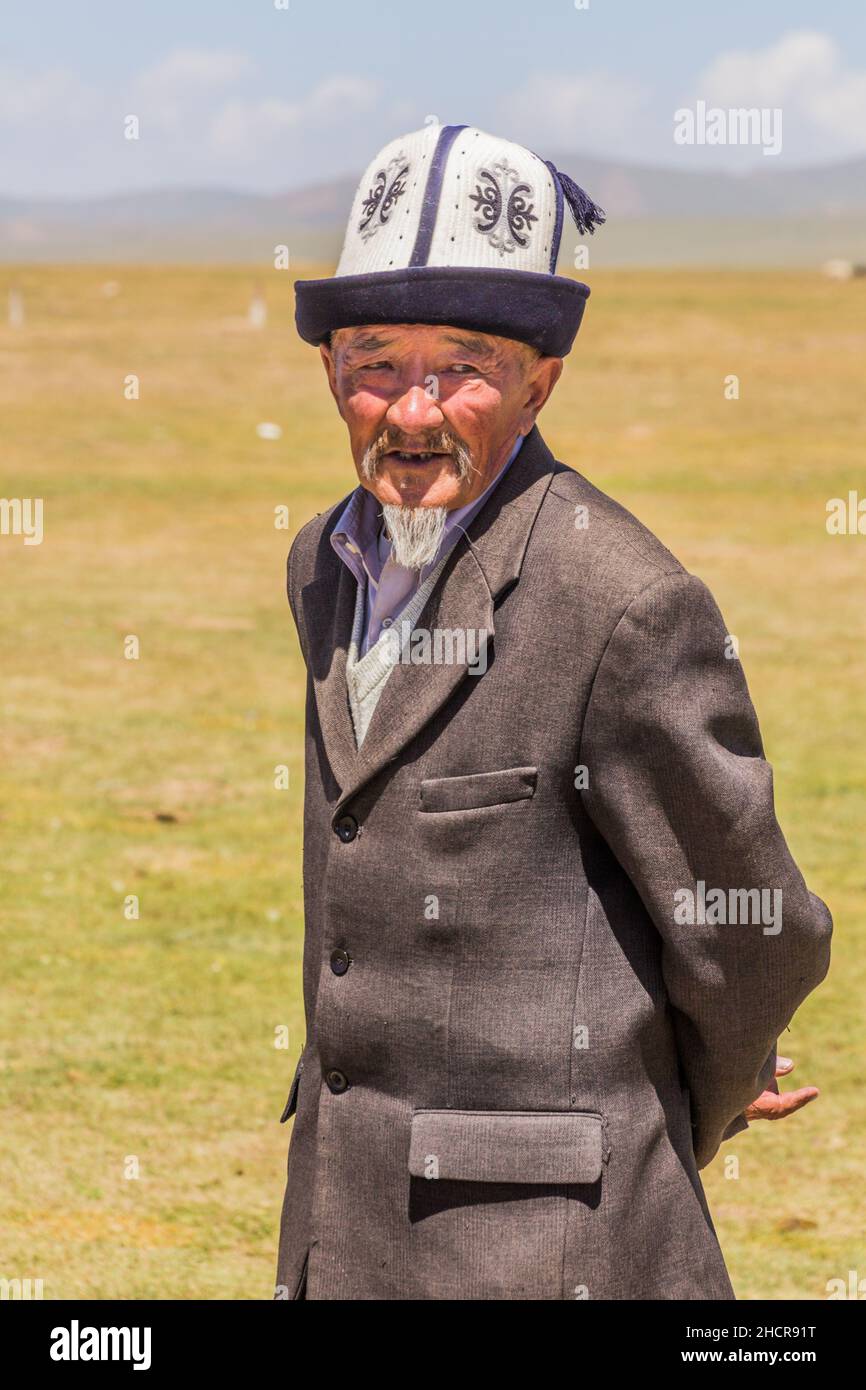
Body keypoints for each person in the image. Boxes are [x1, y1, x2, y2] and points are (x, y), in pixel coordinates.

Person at [274, 124, 832, 1301]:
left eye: (464, 364)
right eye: (374, 360)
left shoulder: (622, 601)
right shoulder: (321, 565)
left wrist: (671, 1113)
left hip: (554, 1254)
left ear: (541, 379)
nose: (412, 410)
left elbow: (751, 928)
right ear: (329, 371)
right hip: (340, 1232)